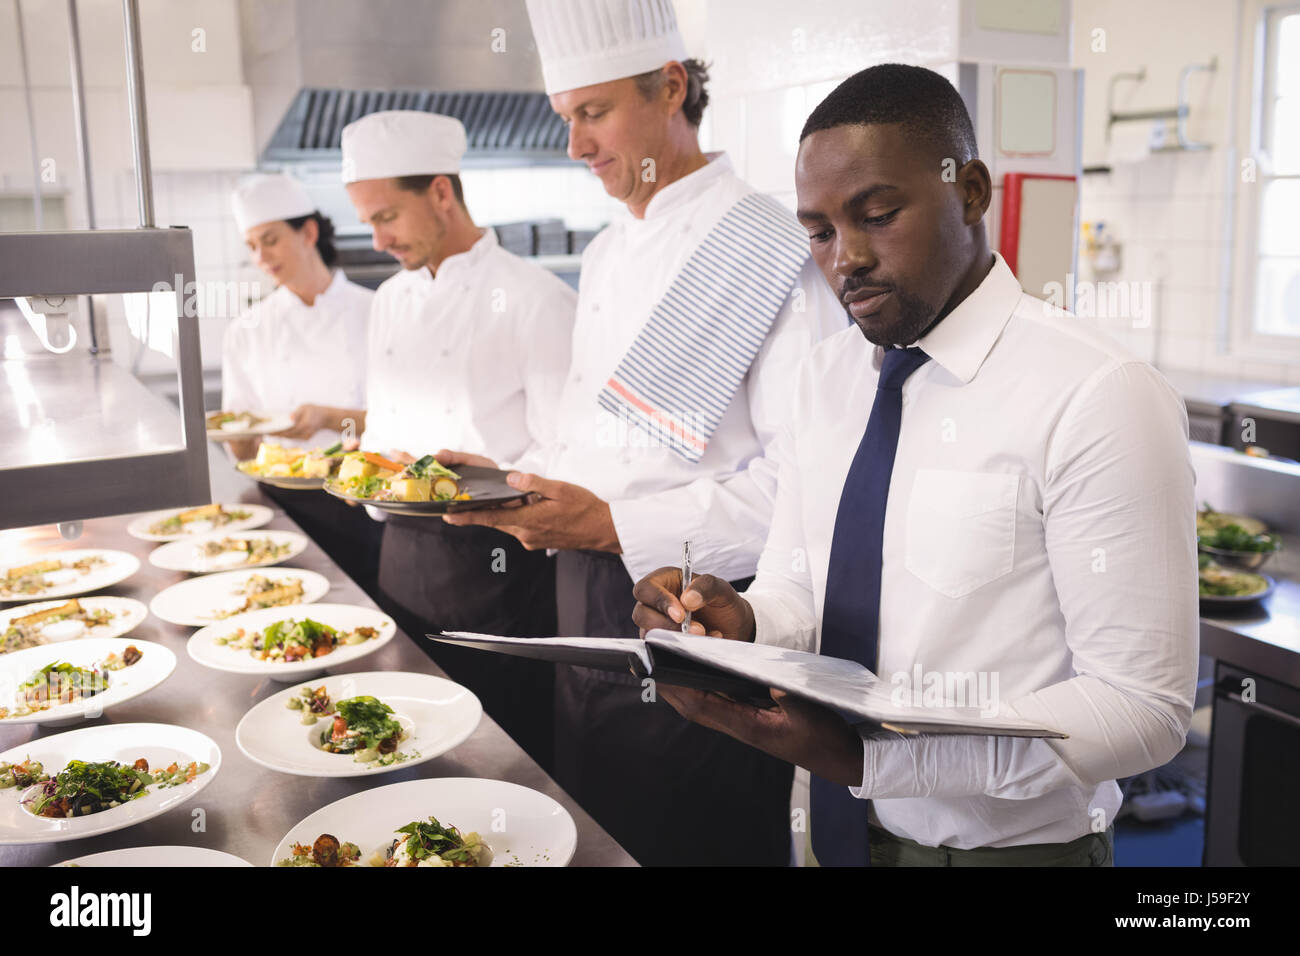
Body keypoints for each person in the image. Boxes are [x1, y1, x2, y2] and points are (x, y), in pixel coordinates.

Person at [631, 63, 1199, 867]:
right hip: (829, 831)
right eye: (820, 232)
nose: (846, 259)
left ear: (970, 192)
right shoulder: (823, 381)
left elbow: (1142, 707)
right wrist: (747, 623)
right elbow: (801, 587)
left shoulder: (1099, 394)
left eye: (878, 215)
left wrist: (877, 759)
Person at [439, 0, 845, 866]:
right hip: (584, 604)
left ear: (670, 87)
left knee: (691, 837)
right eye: (566, 119)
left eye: (593, 113)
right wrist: (508, 477)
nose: (576, 145)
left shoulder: (770, 244)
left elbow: (804, 488)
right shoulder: (605, 252)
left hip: (702, 611)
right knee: (596, 827)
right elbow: (597, 444)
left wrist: (612, 525)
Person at [341, 110, 577, 770]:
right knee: (405, 743)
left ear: (441, 192)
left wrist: (496, 476)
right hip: (399, 557)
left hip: (497, 570)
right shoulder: (388, 298)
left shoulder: (537, 299)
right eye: (368, 222)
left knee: (502, 755)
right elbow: (382, 430)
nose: (378, 238)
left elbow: (567, 455)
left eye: (387, 216)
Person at [222, 173, 381, 590]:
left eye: (270, 240)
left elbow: (406, 421)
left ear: (308, 231)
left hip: (361, 496)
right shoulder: (247, 330)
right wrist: (234, 431)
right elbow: (241, 447)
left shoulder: (377, 312)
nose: (261, 256)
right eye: (252, 246)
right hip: (281, 504)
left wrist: (328, 418)